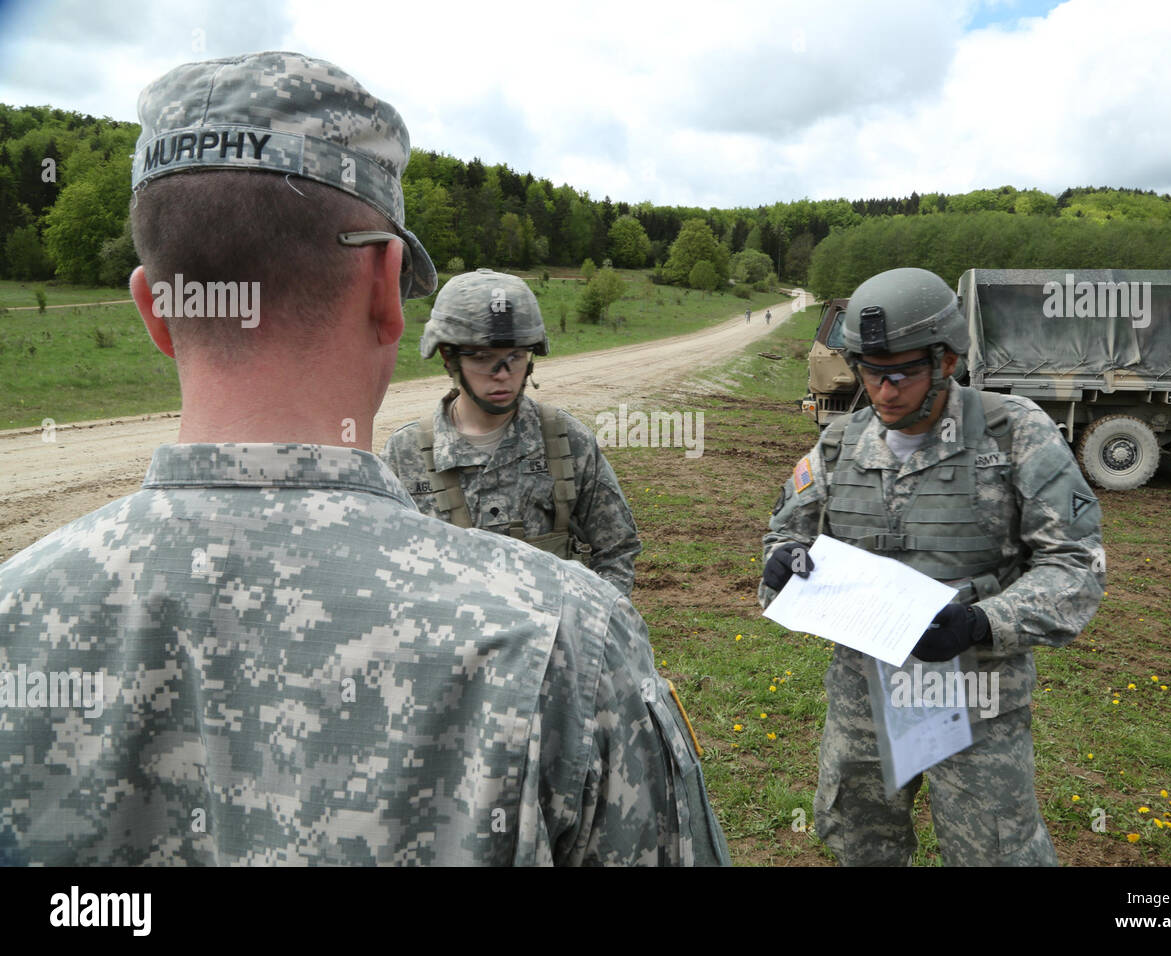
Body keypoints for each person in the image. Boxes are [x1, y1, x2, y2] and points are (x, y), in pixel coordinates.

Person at [0, 51, 728, 867]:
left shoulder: (14, 620)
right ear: (388, 288)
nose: (501, 368)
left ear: (154, 310)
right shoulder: (570, 646)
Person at [760, 267, 1103, 866]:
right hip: (864, 693)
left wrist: (982, 624)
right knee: (858, 841)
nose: (884, 391)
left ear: (947, 361)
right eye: (871, 371)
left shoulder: (1015, 433)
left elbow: (1075, 565)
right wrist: (782, 565)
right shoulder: (840, 445)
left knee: (996, 851)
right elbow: (785, 534)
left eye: (903, 373)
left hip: (977, 695)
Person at [380, 270, 641, 595]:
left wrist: (593, 634)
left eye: (515, 357)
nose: (502, 375)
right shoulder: (405, 455)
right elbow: (383, 565)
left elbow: (617, 548)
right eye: (483, 358)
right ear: (449, 358)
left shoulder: (566, 442)